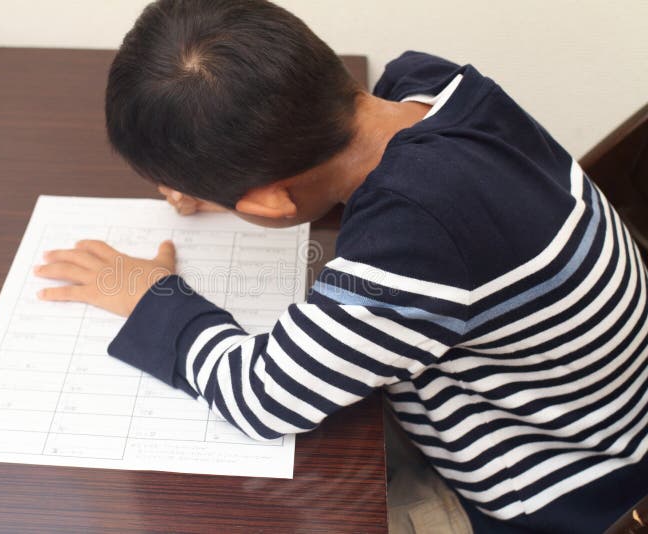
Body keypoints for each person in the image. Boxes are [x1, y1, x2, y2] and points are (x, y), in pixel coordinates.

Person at [33, 0, 648, 532]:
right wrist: (224, 185)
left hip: (558, 489)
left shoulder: (415, 242)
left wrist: (150, 296)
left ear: (270, 202)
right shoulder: (428, 83)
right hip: (603, 406)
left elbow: (261, 396)